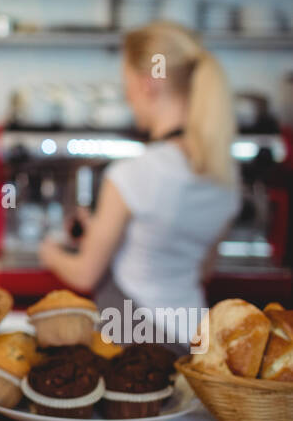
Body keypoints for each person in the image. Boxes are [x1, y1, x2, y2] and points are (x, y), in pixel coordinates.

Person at [39, 21, 240, 350]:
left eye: (126, 86)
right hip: (196, 341)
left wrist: (49, 252)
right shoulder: (224, 174)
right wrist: (105, 233)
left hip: (137, 345)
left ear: (148, 85)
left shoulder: (135, 173)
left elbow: (85, 274)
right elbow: (202, 268)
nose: (128, 98)